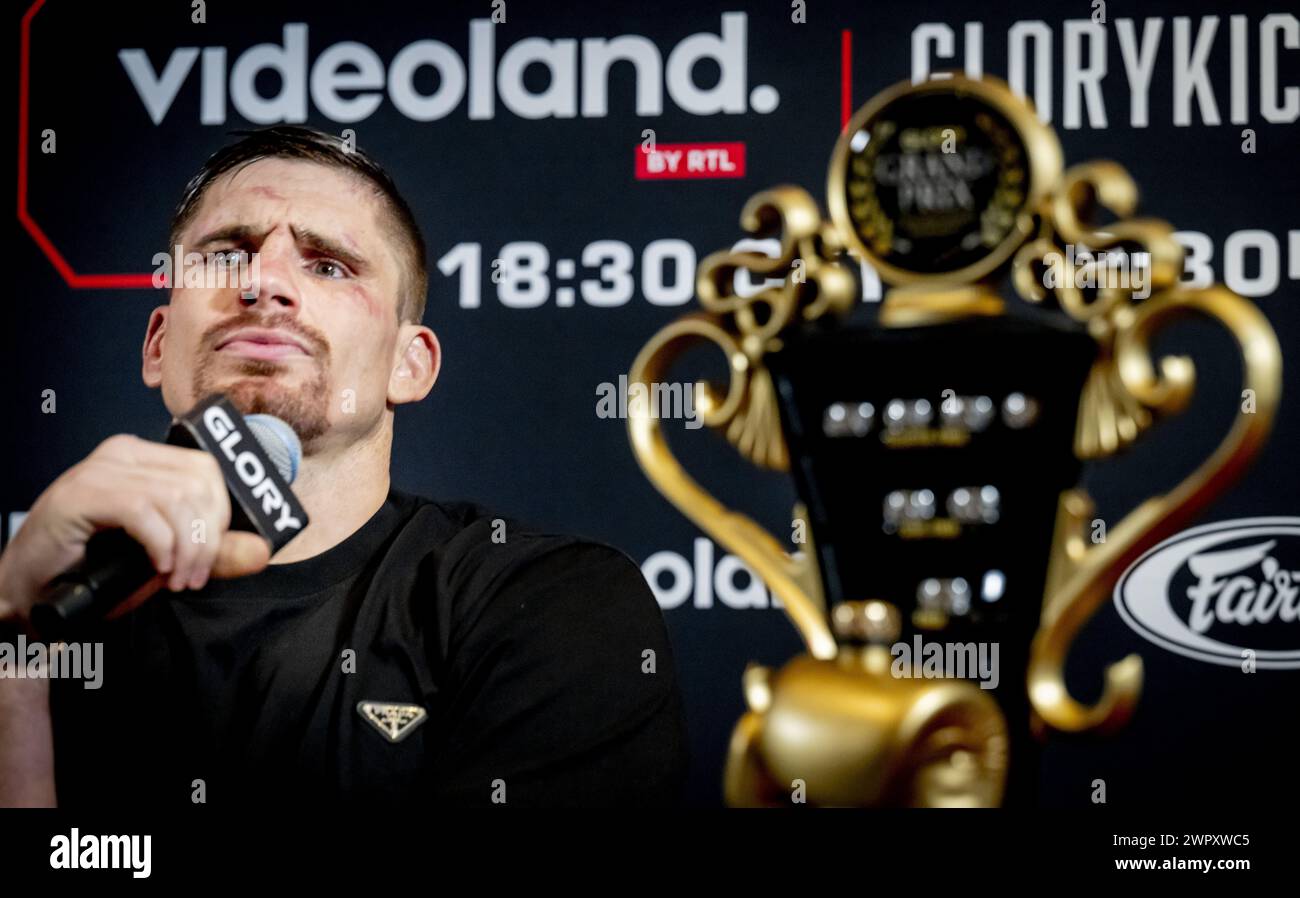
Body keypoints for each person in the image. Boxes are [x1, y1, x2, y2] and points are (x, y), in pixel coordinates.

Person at [0, 126, 688, 807]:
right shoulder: (46, 608)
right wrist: (14, 641)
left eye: (328, 265)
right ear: (156, 345)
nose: (263, 282)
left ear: (408, 364)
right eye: (225, 255)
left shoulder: (547, 602)